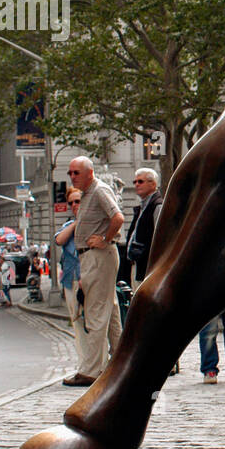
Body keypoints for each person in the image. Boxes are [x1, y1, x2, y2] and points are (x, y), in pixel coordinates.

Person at [67, 156, 124, 384]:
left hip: (99, 256)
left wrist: (104, 239)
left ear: (89, 173)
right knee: (109, 311)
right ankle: (120, 362)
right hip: (94, 257)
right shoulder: (89, 193)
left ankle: (91, 371)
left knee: (96, 313)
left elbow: (118, 217)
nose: (72, 177)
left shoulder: (99, 190)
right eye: (70, 172)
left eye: (76, 172)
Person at [54, 188, 92, 387]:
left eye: (78, 201)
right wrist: (76, 223)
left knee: (93, 323)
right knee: (77, 322)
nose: (75, 205)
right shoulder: (69, 225)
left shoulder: (93, 223)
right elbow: (59, 240)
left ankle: (95, 365)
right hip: (72, 280)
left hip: (90, 278)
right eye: (72, 203)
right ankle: (84, 365)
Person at [126, 167, 162, 286]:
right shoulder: (143, 207)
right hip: (138, 264)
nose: (136, 184)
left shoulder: (157, 206)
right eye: (135, 182)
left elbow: (160, 238)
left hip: (148, 268)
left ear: (153, 184)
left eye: (140, 181)